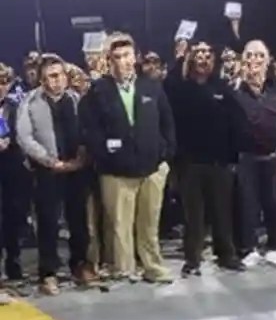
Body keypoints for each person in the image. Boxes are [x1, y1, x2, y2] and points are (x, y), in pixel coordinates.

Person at [79, 34, 177, 284]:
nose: (122, 61)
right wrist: (106, 156)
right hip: (116, 172)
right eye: (117, 57)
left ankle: (152, 267)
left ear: (135, 58)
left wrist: (165, 154)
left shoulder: (151, 86)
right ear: (109, 61)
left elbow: (167, 122)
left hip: (152, 169)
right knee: (119, 226)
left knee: (149, 224)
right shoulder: (98, 91)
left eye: (126, 56)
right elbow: (90, 130)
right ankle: (125, 269)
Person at [15, 55, 94, 295]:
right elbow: (24, 137)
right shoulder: (29, 102)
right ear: (42, 79)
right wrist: (51, 162)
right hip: (47, 170)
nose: (58, 80)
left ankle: (79, 265)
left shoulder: (76, 99)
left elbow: (87, 130)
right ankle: (48, 273)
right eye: (52, 76)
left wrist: (81, 156)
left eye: (60, 74)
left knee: (78, 220)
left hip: (76, 169)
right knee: (48, 223)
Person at [166, 40, 244, 276]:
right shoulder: (180, 87)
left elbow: (235, 123)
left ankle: (226, 255)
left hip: (219, 163)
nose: (203, 57)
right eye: (198, 53)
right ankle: (192, 259)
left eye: (208, 53)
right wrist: (179, 58)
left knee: (222, 213)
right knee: (194, 216)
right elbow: (168, 85)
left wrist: (232, 158)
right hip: (190, 164)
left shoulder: (222, 87)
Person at [229, 40, 276, 266]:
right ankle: (247, 248)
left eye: (260, 56)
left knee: (273, 202)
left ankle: (275, 245)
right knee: (246, 204)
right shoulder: (234, 93)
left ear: (268, 61)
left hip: (273, 157)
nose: (254, 60)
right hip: (245, 158)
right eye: (250, 55)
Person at [0, 63, 32, 284]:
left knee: (14, 216)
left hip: (12, 168)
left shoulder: (16, 106)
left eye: (3, 82)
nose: (0, 87)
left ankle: (14, 261)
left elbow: (26, 134)